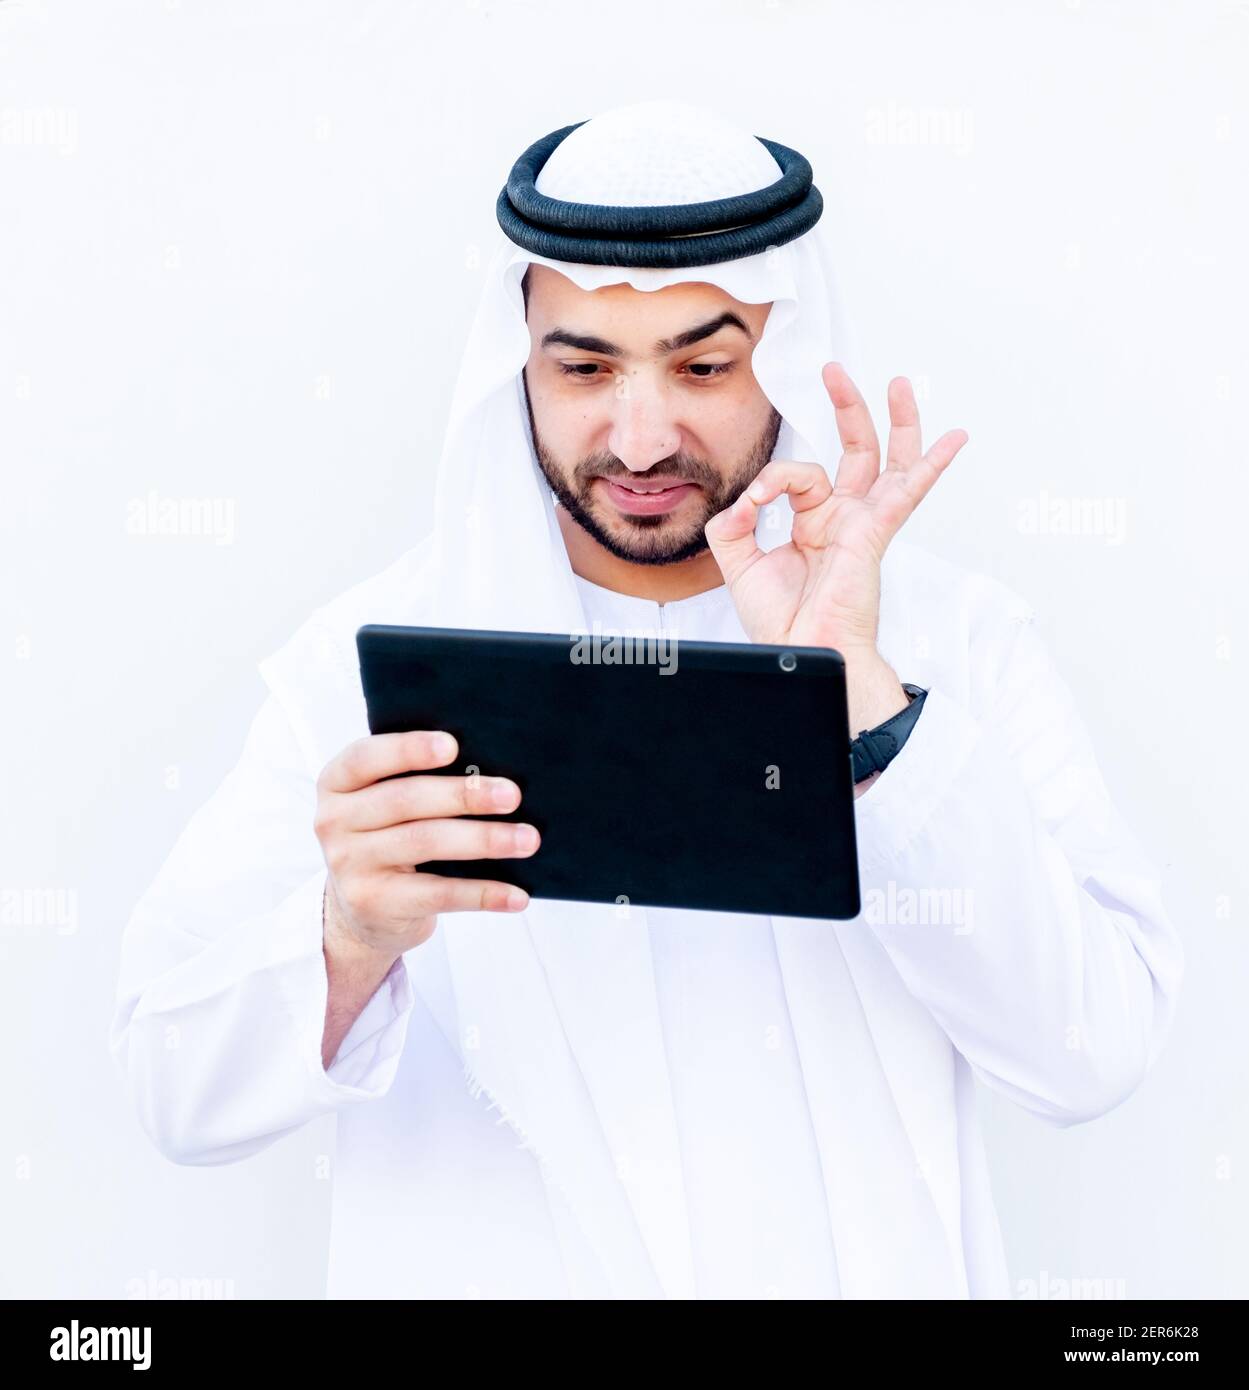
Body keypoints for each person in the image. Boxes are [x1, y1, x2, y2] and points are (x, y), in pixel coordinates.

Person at [110, 100, 1184, 1300]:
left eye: (703, 364)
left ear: (781, 350)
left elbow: (1091, 1056)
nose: (638, 436)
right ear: (519, 362)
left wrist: (869, 711)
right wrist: (345, 939)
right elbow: (171, 1085)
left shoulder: (955, 643)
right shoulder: (353, 674)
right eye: (584, 367)